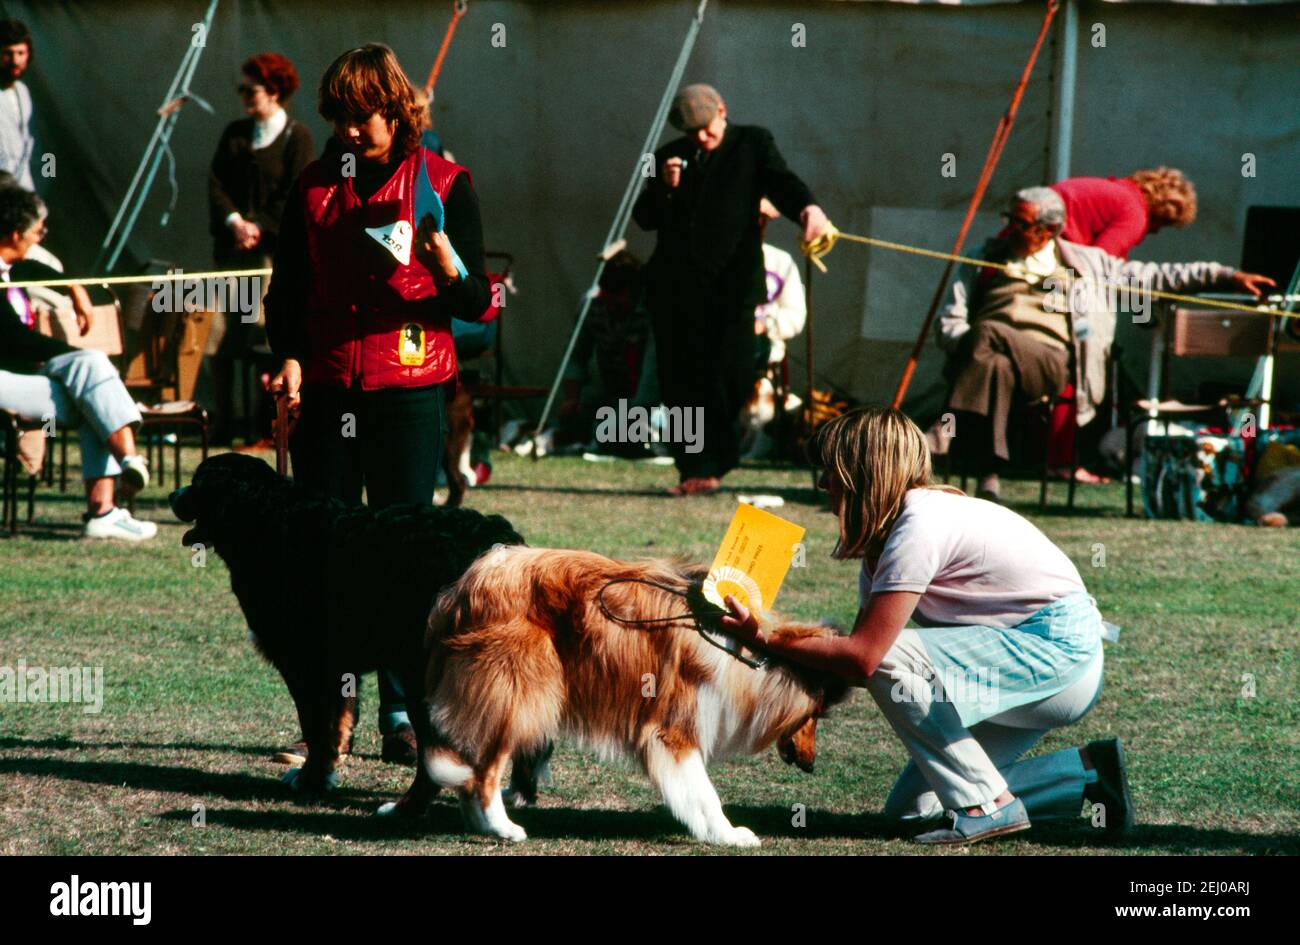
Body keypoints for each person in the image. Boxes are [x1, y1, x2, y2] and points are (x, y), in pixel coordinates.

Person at [721, 406, 1129, 845]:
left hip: (1059, 659)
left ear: (866, 474)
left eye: (830, 471)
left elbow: (864, 659)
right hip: (1037, 660)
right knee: (913, 813)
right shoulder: (895, 534)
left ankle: (986, 806)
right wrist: (780, 664)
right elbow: (853, 664)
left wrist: (765, 636)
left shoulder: (919, 526)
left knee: (887, 657)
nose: (823, 485)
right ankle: (1086, 774)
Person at [263, 44, 490, 765]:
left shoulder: (446, 183)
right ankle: (328, 715)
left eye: (363, 118)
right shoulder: (312, 186)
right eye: (338, 119)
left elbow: (478, 301)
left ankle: (404, 711)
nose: (349, 133)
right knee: (326, 559)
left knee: (401, 562)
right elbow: (288, 293)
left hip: (411, 391)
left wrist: (444, 262)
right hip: (328, 391)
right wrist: (291, 358)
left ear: (397, 109)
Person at [934, 186, 1274, 502]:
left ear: (1048, 229)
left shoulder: (1087, 263)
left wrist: (1226, 275)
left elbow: (1159, 275)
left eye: (1020, 223)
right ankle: (990, 473)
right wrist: (967, 348)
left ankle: (946, 426)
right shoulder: (984, 258)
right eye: (1009, 220)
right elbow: (949, 321)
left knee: (986, 331)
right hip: (989, 357)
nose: (1009, 230)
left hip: (1049, 362)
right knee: (995, 363)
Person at [632, 83, 828, 495]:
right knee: (680, 383)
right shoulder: (665, 156)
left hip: (733, 288)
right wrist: (664, 187)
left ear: (722, 110)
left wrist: (808, 209)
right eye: (692, 134)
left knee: (731, 374)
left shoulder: (753, 143)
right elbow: (643, 217)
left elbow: (781, 181)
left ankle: (718, 458)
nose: (700, 138)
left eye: (706, 129)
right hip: (676, 292)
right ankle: (693, 470)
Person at [0, 187, 155, 539]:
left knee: (92, 389)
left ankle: (107, 507)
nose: (43, 236)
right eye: (39, 231)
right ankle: (116, 487)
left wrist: (74, 287)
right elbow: (12, 339)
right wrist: (67, 353)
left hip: (20, 375)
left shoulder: (11, 267)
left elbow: (37, 269)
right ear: (15, 234)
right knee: (90, 375)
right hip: (4, 377)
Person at [207, 52, 317, 445]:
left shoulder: (296, 137)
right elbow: (216, 183)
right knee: (219, 338)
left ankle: (266, 427)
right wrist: (235, 222)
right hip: (230, 256)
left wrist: (260, 227)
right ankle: (221, 423)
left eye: (249, 89)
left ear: (274, 91)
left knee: (261, 341)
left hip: (269, 257)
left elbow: (295, 194)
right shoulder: (235, 133)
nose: (244, 96)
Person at [1052, 167, 1197, 261]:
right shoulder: (1136, 215)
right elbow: (1098, 262)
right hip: (1051, 241)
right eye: (1164, 224)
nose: (1156, 231)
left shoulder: (1123, 190)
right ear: (1161, 213)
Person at [0, 19, 33, 192]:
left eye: (21, 53)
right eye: (8, 53)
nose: (15, 60)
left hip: (19, 191)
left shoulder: (23, 92)